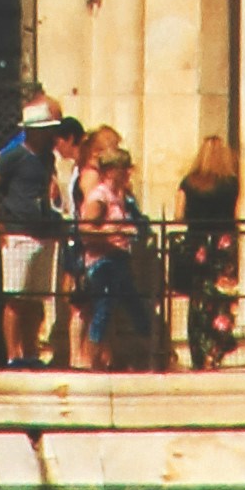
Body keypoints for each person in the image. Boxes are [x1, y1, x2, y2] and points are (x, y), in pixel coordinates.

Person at [0, 97, 65, 371]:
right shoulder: (13, 156)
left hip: (43, 232)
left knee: (34, 298)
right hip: (18, 233)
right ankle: (13, 354)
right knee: (15, 298)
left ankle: (31, 351)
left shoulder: (47, 157)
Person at [67, 125, 147, 370]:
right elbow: (85, 228)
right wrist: (114, 232)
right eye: (125, 170)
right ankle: (89, 359)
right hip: (103, 262)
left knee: (131, 308)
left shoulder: (118, 195)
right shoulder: (99, 195)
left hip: (117, 260)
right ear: (112, 171)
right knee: (102, 309)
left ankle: (147, 354)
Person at [171, 137, 239, 369]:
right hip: (223, 245)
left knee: (198, 301)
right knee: (222, 300)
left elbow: (177, 215)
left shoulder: (188, 183)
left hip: (197, 245)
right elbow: (236, 213)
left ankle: (197, 354)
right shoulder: (231, 184)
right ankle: (215, 352)